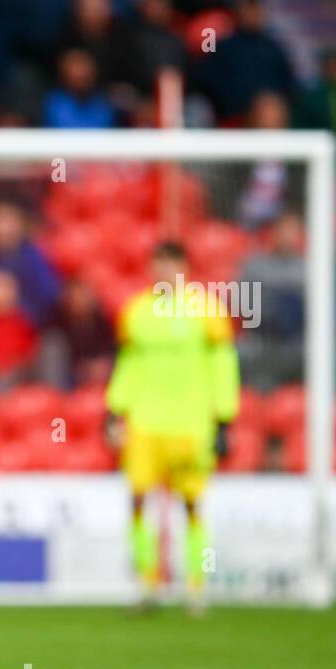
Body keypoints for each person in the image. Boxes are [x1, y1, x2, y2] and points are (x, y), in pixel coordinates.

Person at [106, 242, 240, 612]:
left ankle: (196, 586)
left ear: (185, 269)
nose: (165, 273)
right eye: (159, 266)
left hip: (190, 423)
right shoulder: (136, 312)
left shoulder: (207, 312)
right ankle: (146, 586)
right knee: (136, 501)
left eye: (172, 266)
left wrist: (224, 418)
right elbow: (128, 365)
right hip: (144, 422)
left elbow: (223, 366)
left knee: (193, 504)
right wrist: (115, 408)